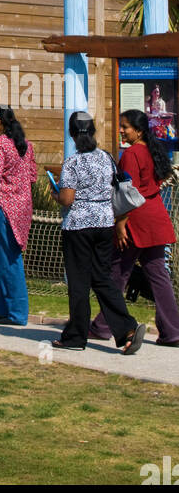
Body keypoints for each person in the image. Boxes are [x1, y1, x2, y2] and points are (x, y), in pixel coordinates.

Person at [52, 111, 146, 353]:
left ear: (72, 134)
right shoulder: (107, 158)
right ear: (93, 131)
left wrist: (55, 194)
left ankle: (75, 337)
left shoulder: (73, 162)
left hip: (79, 226)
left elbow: (67, 198)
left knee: (79, 283)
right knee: (102, 278)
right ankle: (127, 328)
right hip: (105, 224)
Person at [89, 109, 179, 347]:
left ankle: (101, 327)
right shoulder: (154, 151)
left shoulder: (131, 154)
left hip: (135, 222)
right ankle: (173, 332)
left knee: (117, 274)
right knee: (159, 276)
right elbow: (154, 184)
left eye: (125, 127)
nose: (121, 130)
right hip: (156, 217)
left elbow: (128, 194)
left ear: (138, 131)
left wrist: (120, 224)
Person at [0, 105, 38, 325]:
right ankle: (2, 308)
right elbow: (32, 176)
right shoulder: (26, 145)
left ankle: (16, 313)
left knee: (8, 259)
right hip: (23, 206)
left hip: (4, 204)